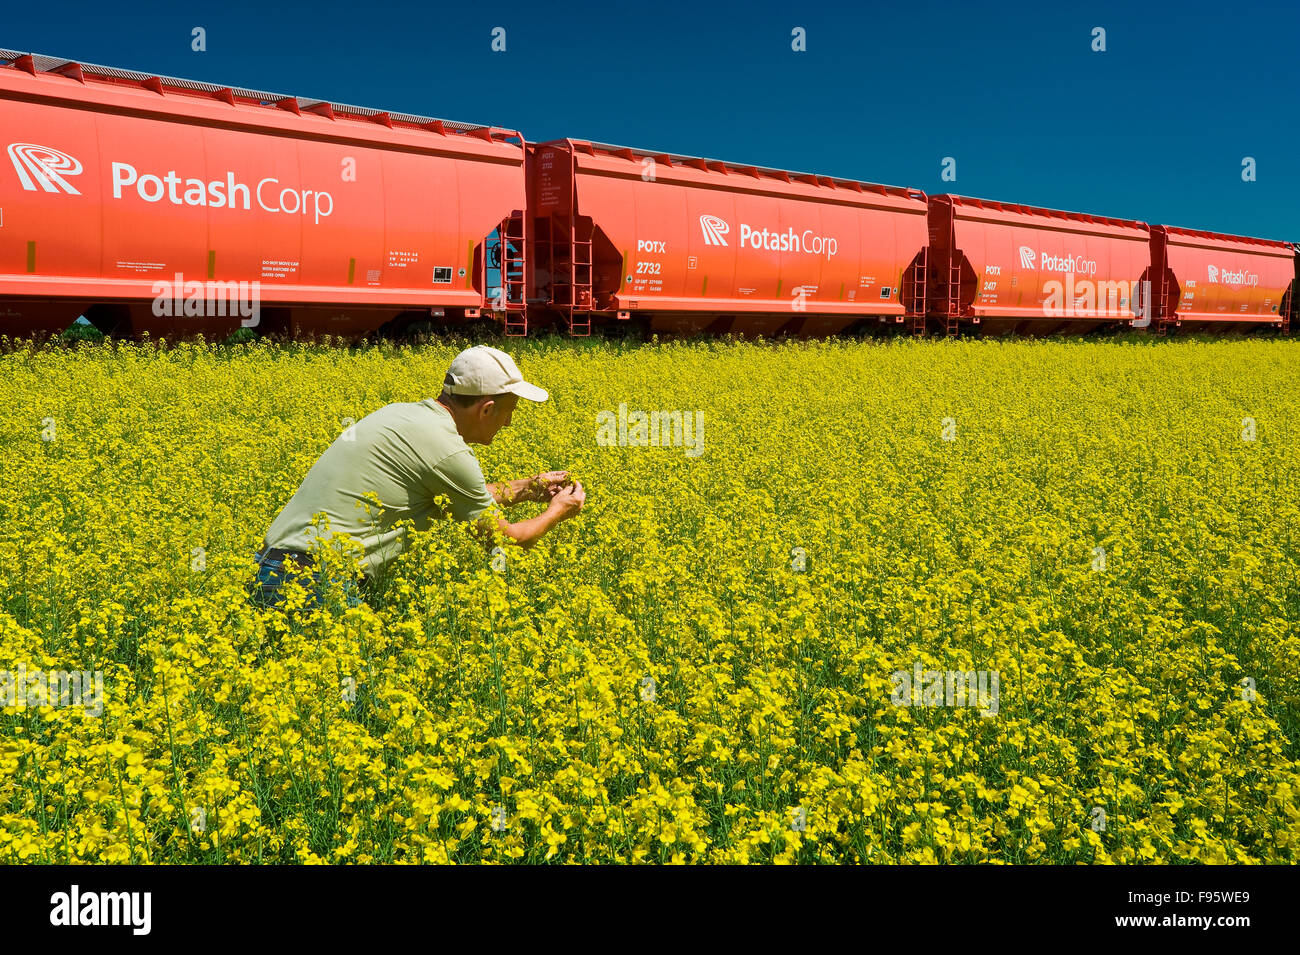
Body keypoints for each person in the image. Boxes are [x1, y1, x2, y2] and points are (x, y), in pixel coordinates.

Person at [248, 345, 586, 610]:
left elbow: (455, 496)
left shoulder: (398, 413)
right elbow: (510, 540)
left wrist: (528, 488)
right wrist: (560, 509)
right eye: (509, 411)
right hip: (317, 581)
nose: (508, 423)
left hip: (272, 567)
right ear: (486, 409)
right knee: (353, 700)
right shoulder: (448, 452)